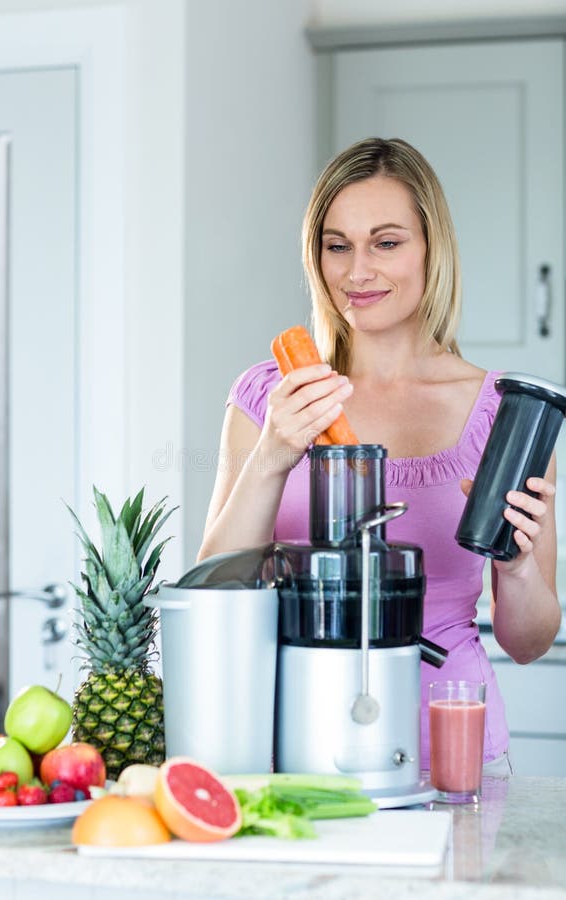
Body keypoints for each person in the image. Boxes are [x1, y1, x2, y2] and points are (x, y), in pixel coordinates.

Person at [198, 137, 561, 773]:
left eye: (386, 243)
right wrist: (274, 455)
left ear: (432, 249)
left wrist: (521, 566)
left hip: (447, 756)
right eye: (337, 245)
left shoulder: (505, 414)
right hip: (291, 747)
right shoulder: (268, 398)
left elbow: (526, 642)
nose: (357, 271)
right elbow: (214, 592)